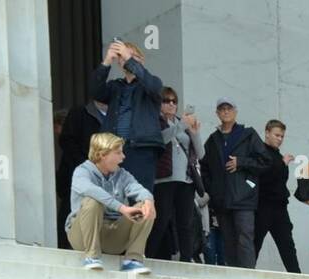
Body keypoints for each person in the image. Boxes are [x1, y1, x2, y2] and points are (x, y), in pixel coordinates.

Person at [66, 132, 156, 273]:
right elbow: (92, 190)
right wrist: (122, 208)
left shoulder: (122, 174)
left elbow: (139, 189)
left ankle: (132, 260)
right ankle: (91, 256)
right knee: (92, 201)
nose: (123, 157)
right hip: (82, 238)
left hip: (113, 238)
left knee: (144, 207)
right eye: (118, 153)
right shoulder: (81, 172)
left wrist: (149, 201)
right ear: (103, 154)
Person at [88, 41, 164, 193]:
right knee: (112, 196)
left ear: (141, 60)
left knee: (139, 197)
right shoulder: (115, 86)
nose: (126, 58)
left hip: (141, 149)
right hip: (113, 149)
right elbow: (95, 91)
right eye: (122, 56)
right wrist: (107, 61)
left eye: (131, 55)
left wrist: (129, 58)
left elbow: (153, 87)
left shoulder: (152, 83)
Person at [200, 98, 268, 268]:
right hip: (222, 200)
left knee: (245, 238)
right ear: (217, 113)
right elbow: (204, 168)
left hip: (244, 198)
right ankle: (234, 278)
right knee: (228, 242)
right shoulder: (212, 140)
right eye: (222, 109)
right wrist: (213, 190)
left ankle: (248, 278)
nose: (225, 112)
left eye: (229, 108)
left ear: (235, 112)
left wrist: (241, 162)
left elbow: (265, 161)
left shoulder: (248, 134)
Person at [148, 88, 203, 261]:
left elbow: (201, 153)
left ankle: (186, 259)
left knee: (186, 223)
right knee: (161, 220)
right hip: (164, 179)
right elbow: (159, 140)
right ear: (159, 103)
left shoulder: (181, 122)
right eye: (166, 100)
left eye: (174, 101)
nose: (171, 104)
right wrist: (181, 126)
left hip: (186, 180)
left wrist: (194, 133)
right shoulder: (155, 121)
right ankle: (147, 256)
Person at [56, 97, 108, 248]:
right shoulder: (79, 113)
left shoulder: (117, 116)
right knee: (71, 212)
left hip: (103, 177)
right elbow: (67, 141)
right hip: (77, 175)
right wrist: (85, 164)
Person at [255, 119, 301, 273]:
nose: (280, 139)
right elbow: (265, 177)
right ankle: (245, 277)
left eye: (282, 136)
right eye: (277, 135)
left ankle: (297, 278)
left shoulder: (277, 155)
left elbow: (279, 182)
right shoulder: (260, 152)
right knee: (254, 244)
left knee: (288, 247)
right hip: (262, 206)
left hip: (279, 208)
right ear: (267, 133)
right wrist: (282, 164)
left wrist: (282, 164)